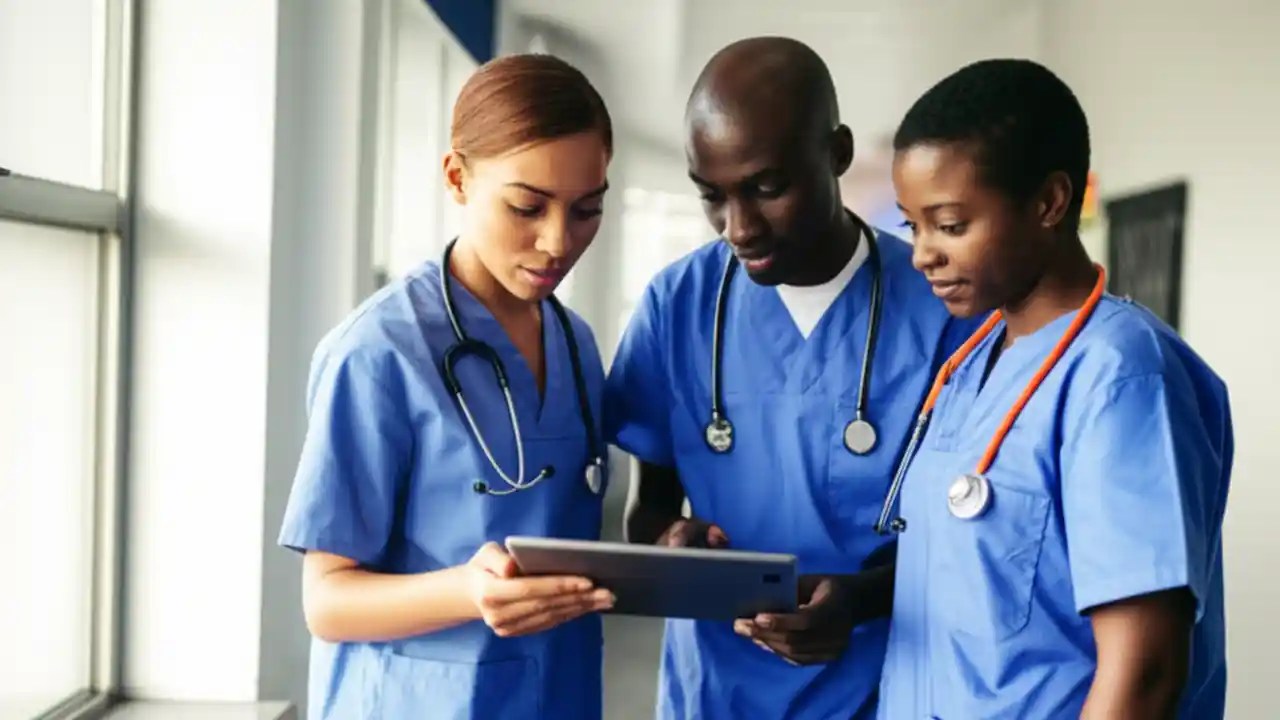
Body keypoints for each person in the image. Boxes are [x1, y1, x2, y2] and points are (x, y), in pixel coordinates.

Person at [604, 37, 980, 719]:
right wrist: (671, 544)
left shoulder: (943, 308)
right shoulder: (676, 307)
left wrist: (860, 601)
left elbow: (970, 540)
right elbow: (648, 511)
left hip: (882, 685)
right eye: (711, 196)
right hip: (714, 692)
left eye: (766, 188)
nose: (738, 227)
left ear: (835, 153)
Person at [879, 58, 1231, 719]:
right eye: (912, 225)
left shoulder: (1120, 376)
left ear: (1049, 202)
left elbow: (1145, 674)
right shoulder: (972, 363)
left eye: (950, 225)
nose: (923, 252)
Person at [277, 53, 617, 720]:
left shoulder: (575, 346)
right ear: (457, 177)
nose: (557, 241)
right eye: (527, 206)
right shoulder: (379, 353)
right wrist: (471, 591)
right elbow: (327, 602)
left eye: (587, 210)